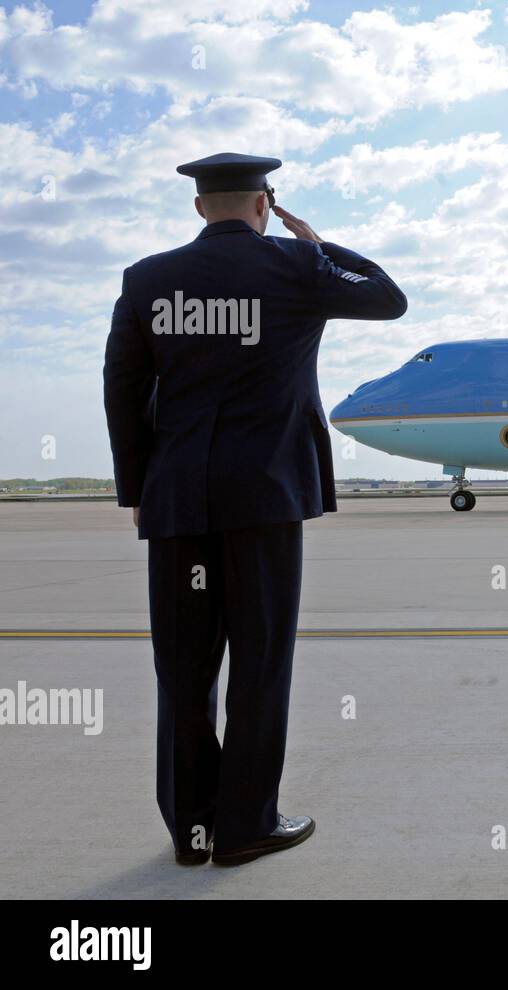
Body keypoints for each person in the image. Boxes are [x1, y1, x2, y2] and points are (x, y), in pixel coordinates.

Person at [103, 152, 408, 866]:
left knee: (182, 670)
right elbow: (389, 297)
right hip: (266, 498)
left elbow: (122, 390)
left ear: (199, 207)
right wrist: (319, 245)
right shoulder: (296, 269)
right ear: (265, 202)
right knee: (261, 665)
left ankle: (193, 830)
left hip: (178, 501)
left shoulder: (147, 279)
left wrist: (140, 489)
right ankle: (246, 825)